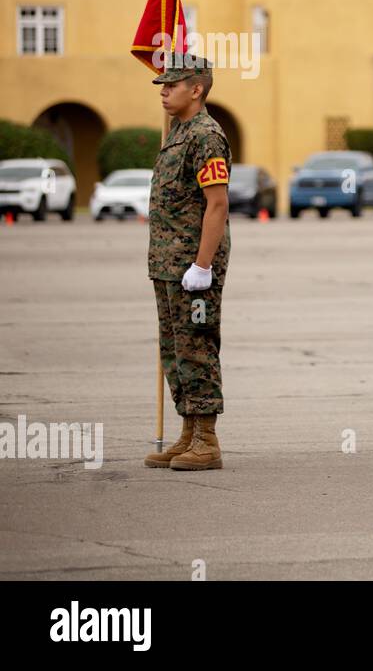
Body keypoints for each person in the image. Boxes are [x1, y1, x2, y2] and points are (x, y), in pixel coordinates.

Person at [143, 55, 231, 472]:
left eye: (171, 85)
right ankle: (188, 431)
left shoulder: (206, 136)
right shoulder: (178, 132)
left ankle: (206, 440)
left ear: (196, 89)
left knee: (197, 347)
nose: (163, 92)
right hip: (167, 262)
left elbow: (217, 204)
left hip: (193, 265)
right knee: (174, 349)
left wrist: (203, 265)